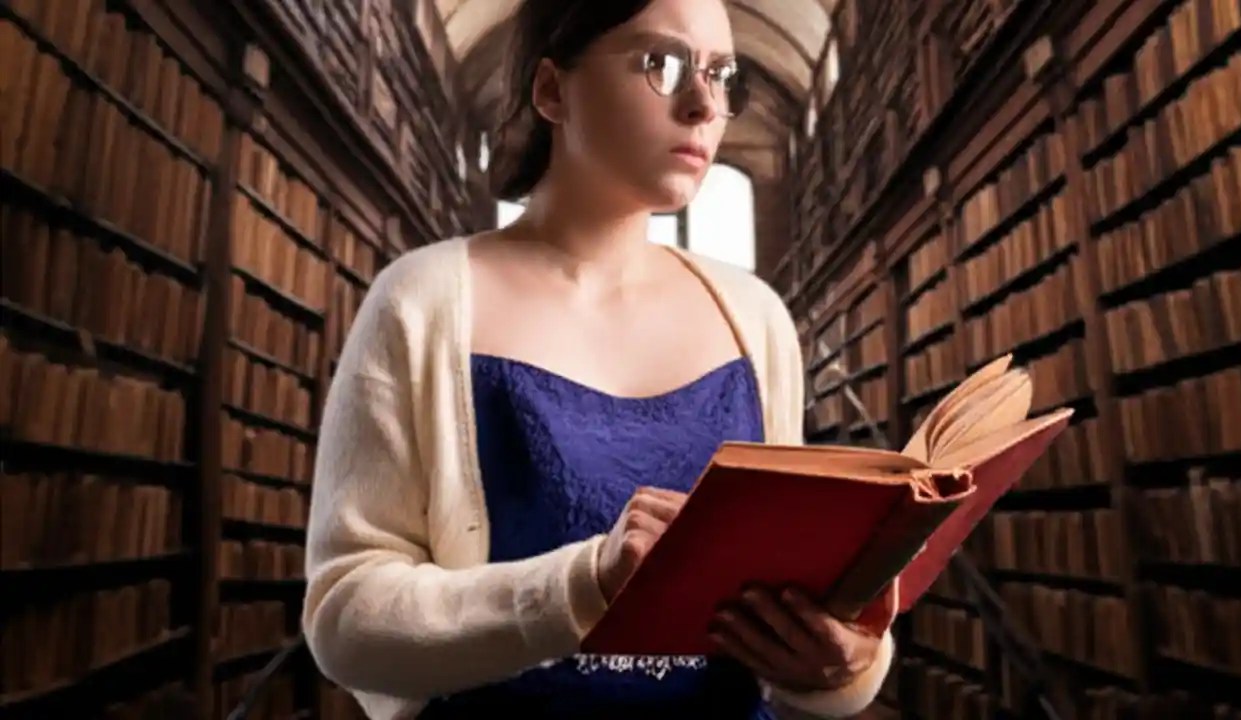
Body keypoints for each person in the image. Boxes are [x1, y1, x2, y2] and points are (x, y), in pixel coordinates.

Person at [300, 0, 897, 717]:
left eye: (721, 74)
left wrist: (847, 661)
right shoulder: (422, 301)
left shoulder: (755, 316)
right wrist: (583, 586)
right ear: (552, 90)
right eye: (661, 63)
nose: (704, 105)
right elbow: (344, 616)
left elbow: (787, 585)